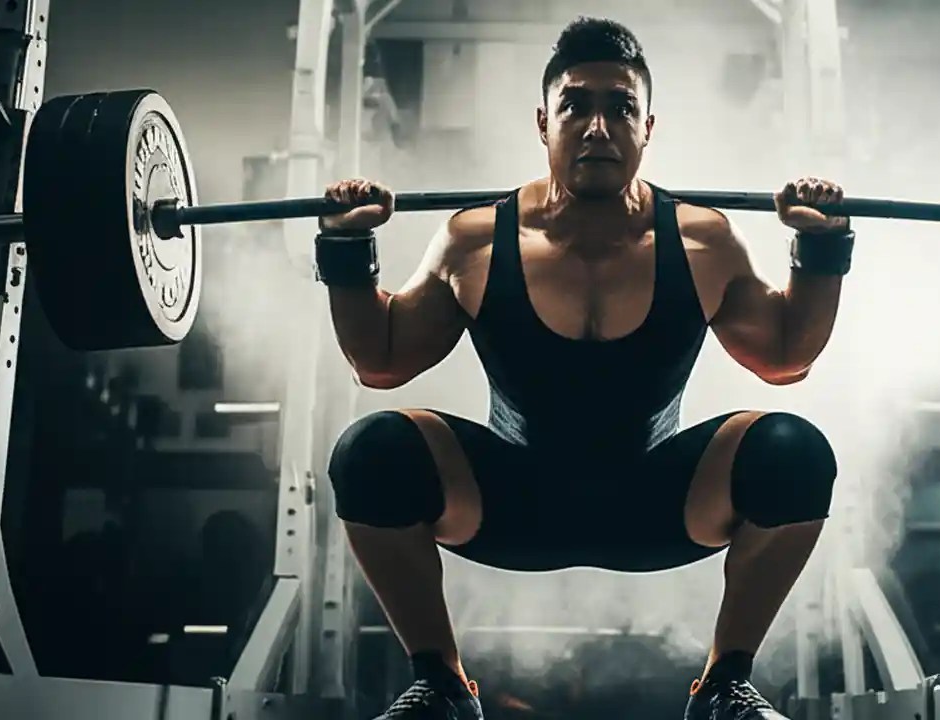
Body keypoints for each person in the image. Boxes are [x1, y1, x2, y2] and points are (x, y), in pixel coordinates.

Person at [318, 16, 853, 720]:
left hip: (656, 503)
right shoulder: (474, 240)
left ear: (647, 127)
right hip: (512, 501)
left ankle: (724, 685)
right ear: (544, 123)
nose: (598, 127)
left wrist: (821, 249)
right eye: (575, 105)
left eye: (620, 107)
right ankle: (442, 686)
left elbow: (786, 358)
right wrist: (346, 252)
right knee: (371, 451)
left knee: (794, 452)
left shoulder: (704, 240)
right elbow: (380, 361)